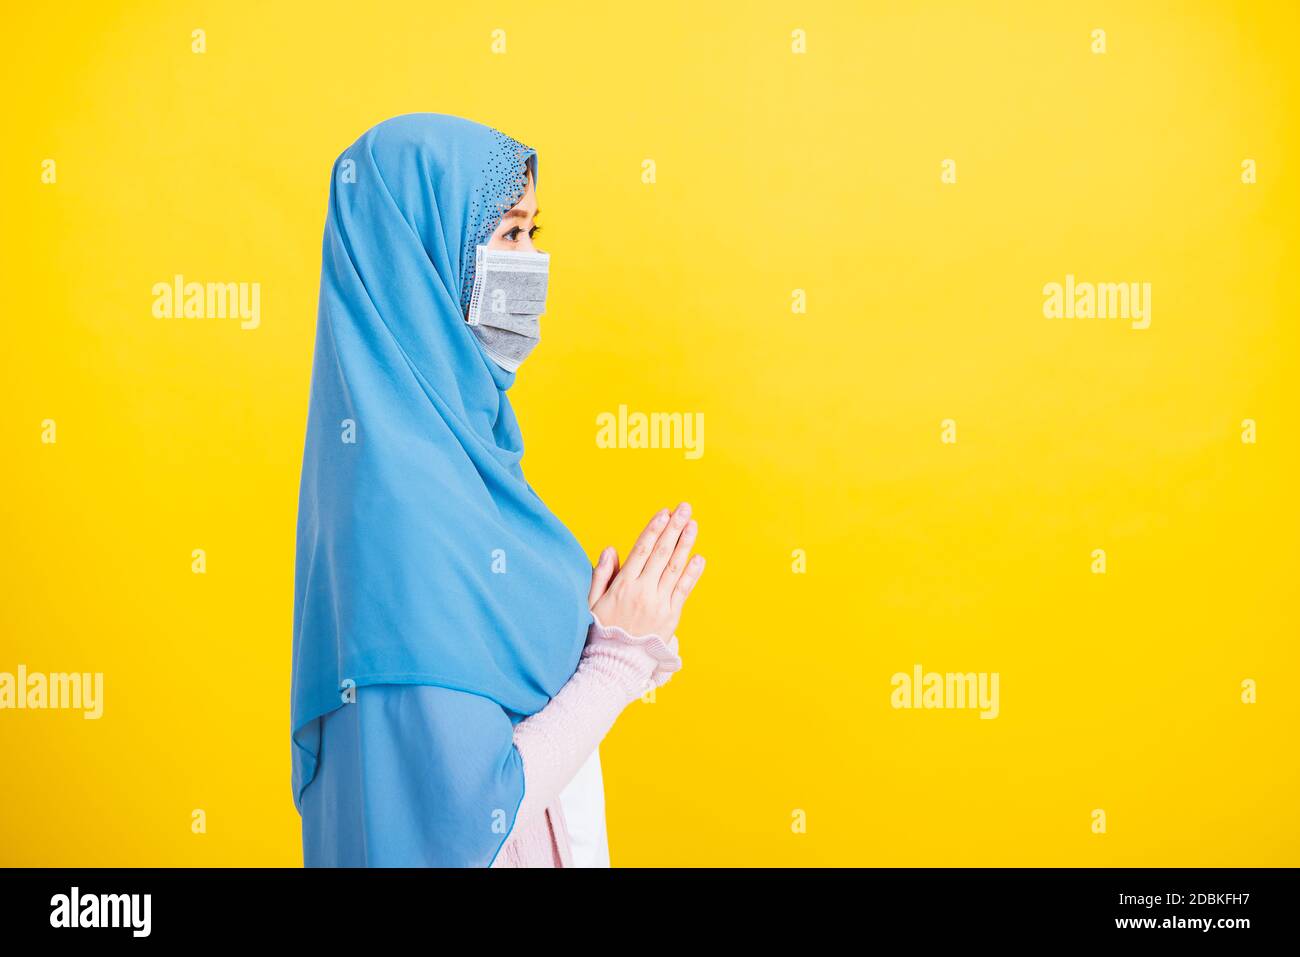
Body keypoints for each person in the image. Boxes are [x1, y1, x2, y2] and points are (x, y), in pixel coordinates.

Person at [289, 113, 706, 867]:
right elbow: (467, 810)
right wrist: (616, 661)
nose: (533, 261)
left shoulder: (465, 462)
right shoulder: (400, 512)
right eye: (509, 234)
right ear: (414, 260)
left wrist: (610, 628)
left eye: (533, 231)